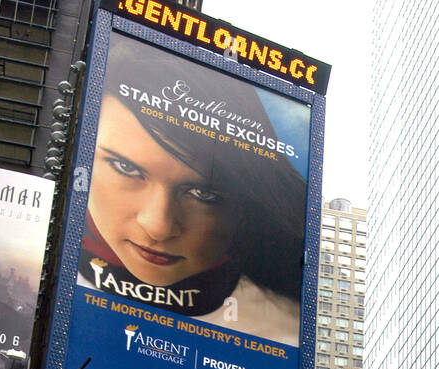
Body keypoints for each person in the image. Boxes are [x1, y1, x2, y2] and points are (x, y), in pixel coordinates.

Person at [80, 33, 307, 342]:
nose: (158, 226)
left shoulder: (285, 333)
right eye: (126, 168)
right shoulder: (30, 274)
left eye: (203, 194)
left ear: (247, 203)